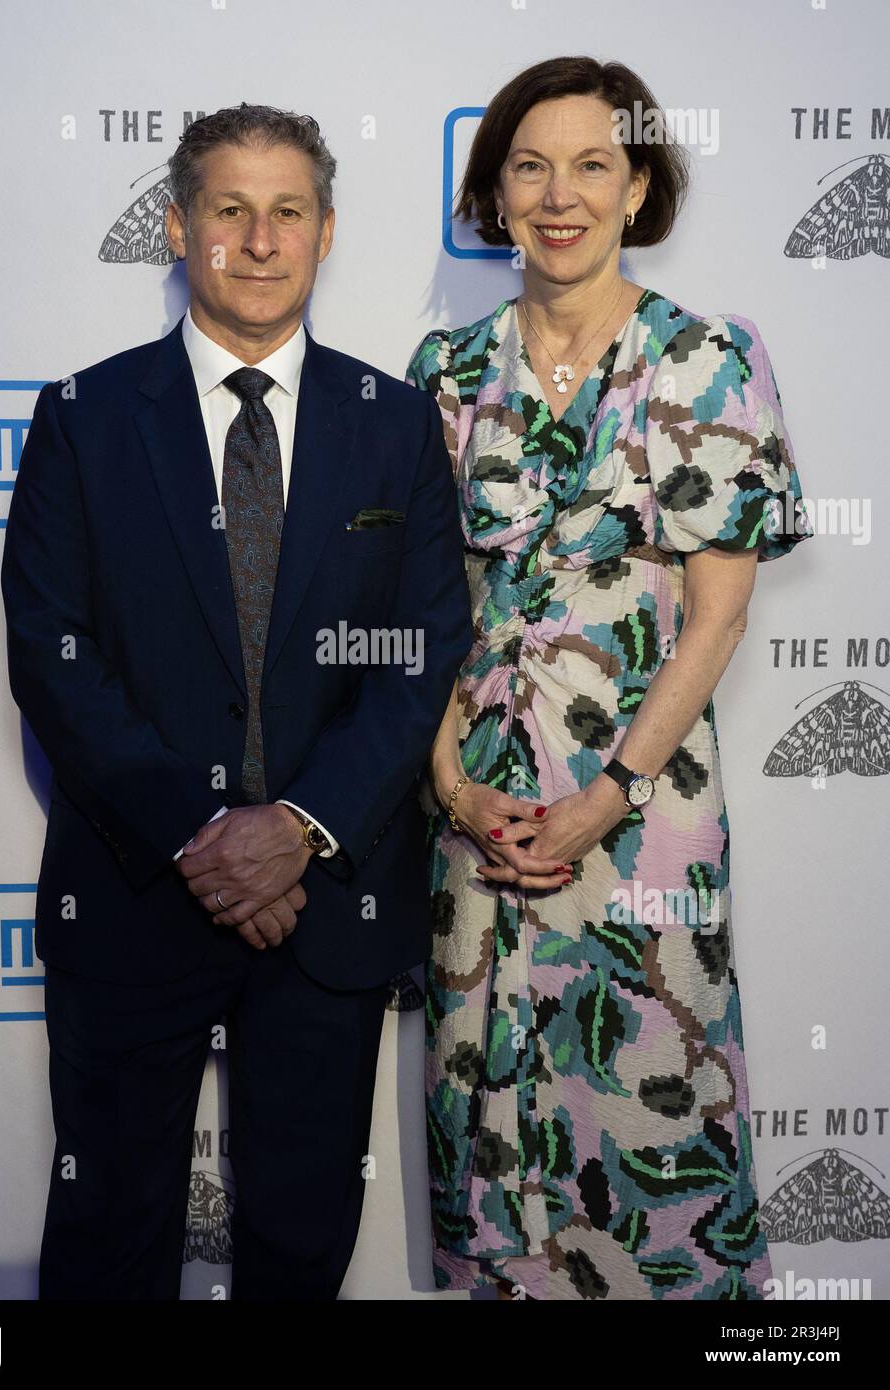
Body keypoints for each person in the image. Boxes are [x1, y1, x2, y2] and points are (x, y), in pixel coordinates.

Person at [1, 103, 472, 1301]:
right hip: (134, 890)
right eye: (228, 210)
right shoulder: (84, 418)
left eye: (287, 212)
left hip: (329, 900)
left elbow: (419, 653)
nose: (258, 240)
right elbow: (54, 656)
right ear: (178, 227)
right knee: (108, 1232)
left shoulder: (396, 424)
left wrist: (295, 828)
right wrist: (205, 839)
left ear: (324, 234)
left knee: (302, 1238)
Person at [405, 56, 813, 1300]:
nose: (558, 194)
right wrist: (449, 788)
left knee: (653, 1121)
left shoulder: (707, 360)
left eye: (592, 164)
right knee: (486, 1128)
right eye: (528, 166)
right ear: (492, 196)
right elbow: (410, 616)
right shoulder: (443, 372)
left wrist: (610, 794)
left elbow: (716, 616)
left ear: (637, 188)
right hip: (477, 823)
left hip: (637, 825)